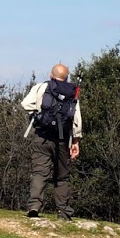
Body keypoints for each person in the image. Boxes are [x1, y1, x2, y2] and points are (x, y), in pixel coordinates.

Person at [21, 63, 82, 219]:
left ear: (51, 74)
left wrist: (39, 115)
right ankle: (63, 211)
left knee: (40, 173)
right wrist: (75, 141)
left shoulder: (42, 87)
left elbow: (26, 104)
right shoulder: (72, 92)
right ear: (67, 77)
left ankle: (34, 207)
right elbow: (76, 118)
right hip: (62, 139)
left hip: (41, 135)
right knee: (62, 176)